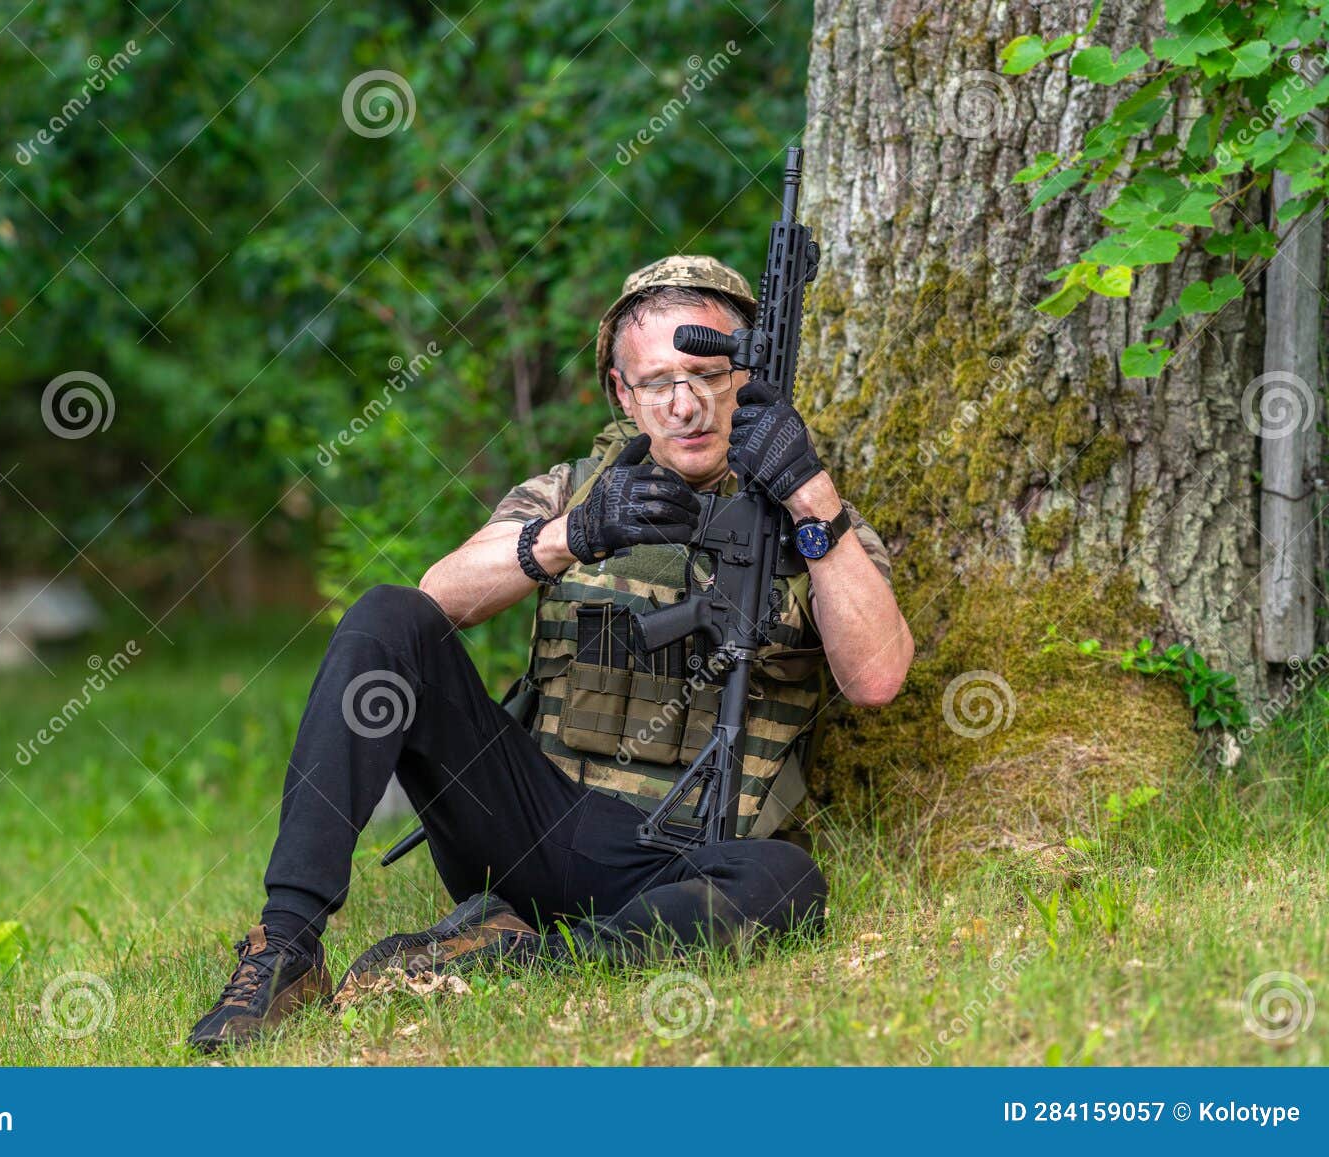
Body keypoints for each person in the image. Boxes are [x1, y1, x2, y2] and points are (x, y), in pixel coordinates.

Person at [188, 255, 914, 1052]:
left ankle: (531, 952)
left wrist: (810, 494)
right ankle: (286, 948)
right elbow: (443, 594)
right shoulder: (577, 487)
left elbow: (876, 676)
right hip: (535, 823)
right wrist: (578, 532)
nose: (685, 403)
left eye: (708, 373)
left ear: (747, 376)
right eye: (657, 382)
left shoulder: (811, 515)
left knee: (788, 883)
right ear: (620, 393)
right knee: (384, 616)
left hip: (685, 862)